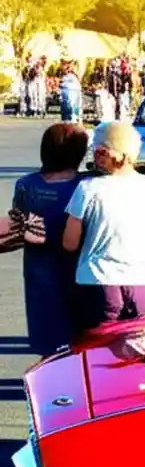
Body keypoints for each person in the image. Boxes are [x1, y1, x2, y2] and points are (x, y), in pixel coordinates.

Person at [62, 122, 145, 331]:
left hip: (97, 280)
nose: (95, 156)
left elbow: (70, 242)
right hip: (143, 279)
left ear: (112, 153)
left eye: (99, 151)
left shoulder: (88, 188)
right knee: (135, 341)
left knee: (99, 342)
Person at [9, 124, 88, 355]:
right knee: (81, 337)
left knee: (46, 331)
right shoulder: (88, 185)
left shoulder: (27, 185)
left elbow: (18, 219)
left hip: (39, 266)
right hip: (79, 264)